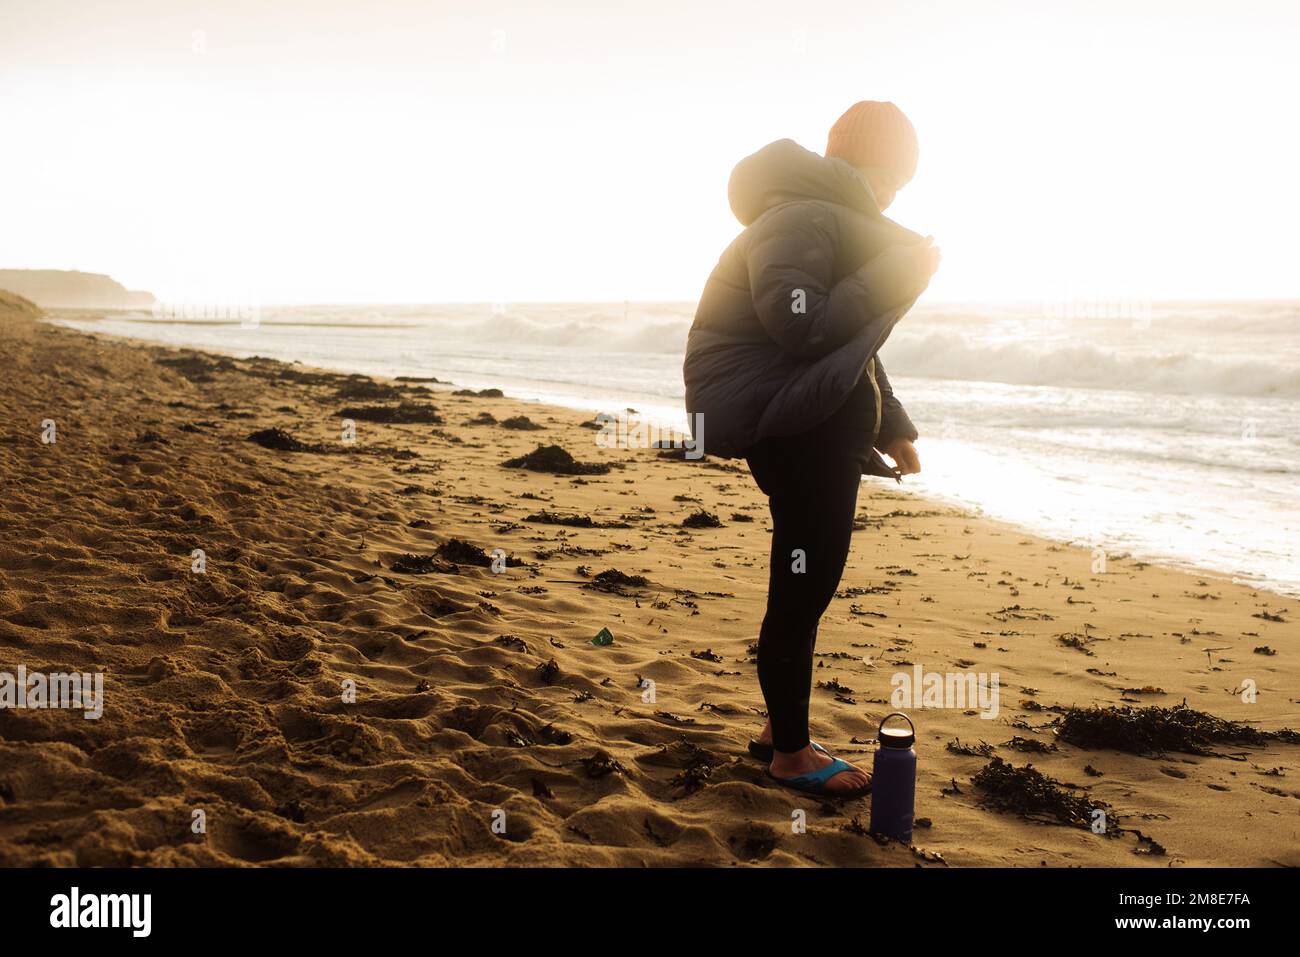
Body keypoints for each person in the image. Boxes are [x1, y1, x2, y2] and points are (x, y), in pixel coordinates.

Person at [682, 101, 940, 798]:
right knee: (801, 582)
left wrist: (894, 425)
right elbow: (803, 324)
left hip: (819, 424)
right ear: (865, 162)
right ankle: (791, 751)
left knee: (811, 580)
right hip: (800, 431)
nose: (893, 195)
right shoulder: (800, 215)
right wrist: (895, 274)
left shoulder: (820, 213)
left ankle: (780, 726)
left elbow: (853, 347)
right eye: (891, 177)